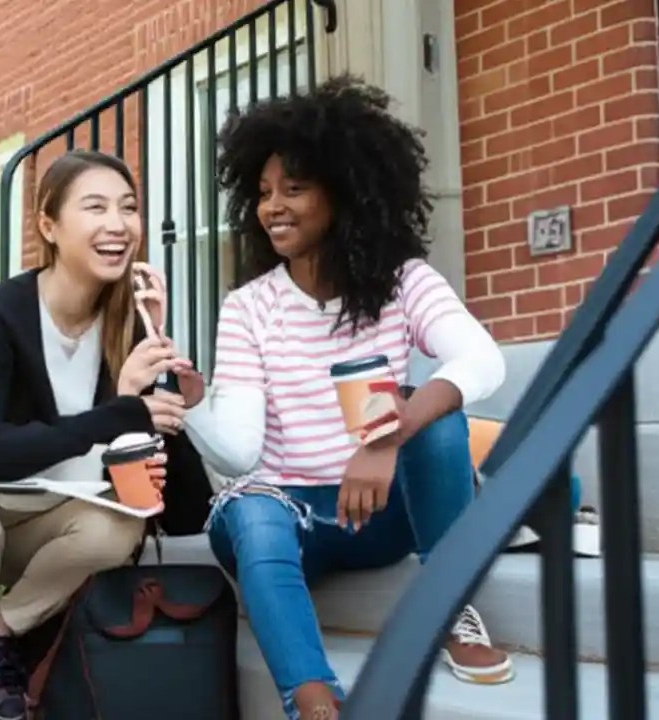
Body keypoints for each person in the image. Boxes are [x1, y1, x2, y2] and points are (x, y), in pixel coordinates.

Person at [176, 75, 513, 720]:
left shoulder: (404, 282)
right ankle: (313, 699)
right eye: (264, 192)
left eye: (294, 190)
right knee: (250, 507)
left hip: (379, 511)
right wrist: (195, 404)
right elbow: (243, 453)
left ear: (346, 193)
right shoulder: (249, 307)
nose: (272, 206)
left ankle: (449, 606)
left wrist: (389, 435)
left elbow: (482, 360)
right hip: (290, 521)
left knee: (440, 420)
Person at [0, 149, 210, 720]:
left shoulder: (128, 320)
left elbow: (185, 510)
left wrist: (156, 342)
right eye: (95, 207)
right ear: (48, 226)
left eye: (128, 208)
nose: (117, 224)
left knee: (119, 521)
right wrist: (120, 410)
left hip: (56, 521)